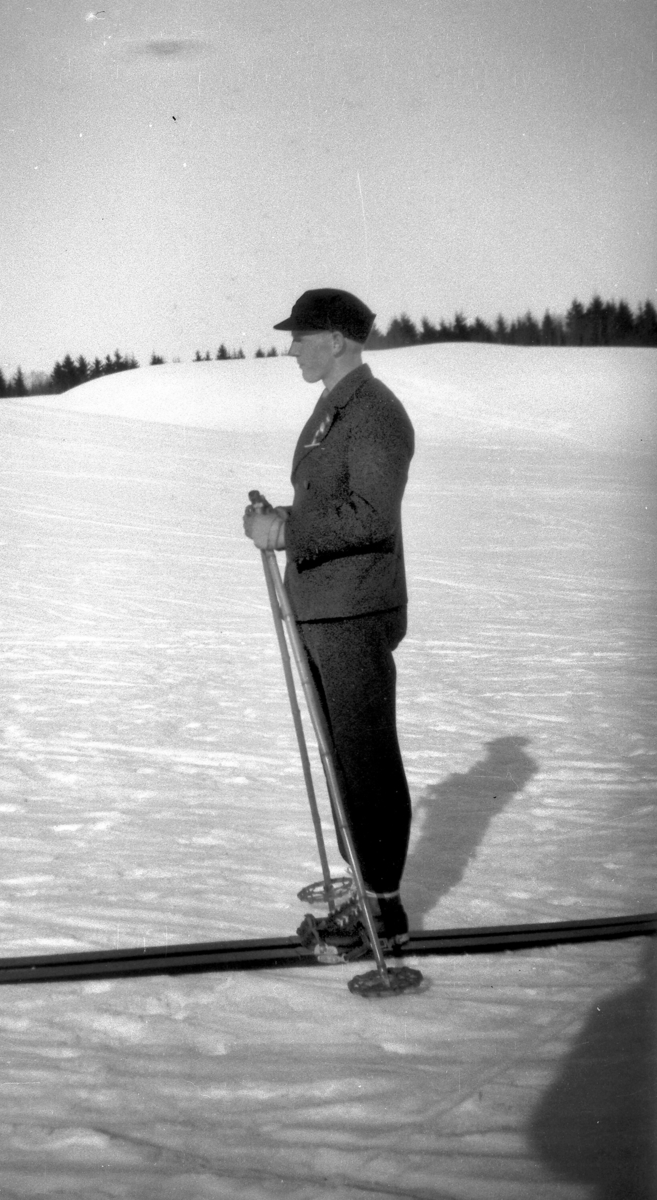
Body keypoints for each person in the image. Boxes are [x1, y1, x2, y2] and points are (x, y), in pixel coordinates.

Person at [243, 288, 414, 945]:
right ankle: (365, 890)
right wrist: (280, 518)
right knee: (342, 758)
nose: (290, 349)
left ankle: (382, 911)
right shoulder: (334, 408)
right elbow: (331, 504)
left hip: (354, 609)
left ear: (336, 339)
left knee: (365, 761)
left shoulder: (373, 413)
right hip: (322, 607)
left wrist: (287, 531)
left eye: (300, 337)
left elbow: (371, 516)